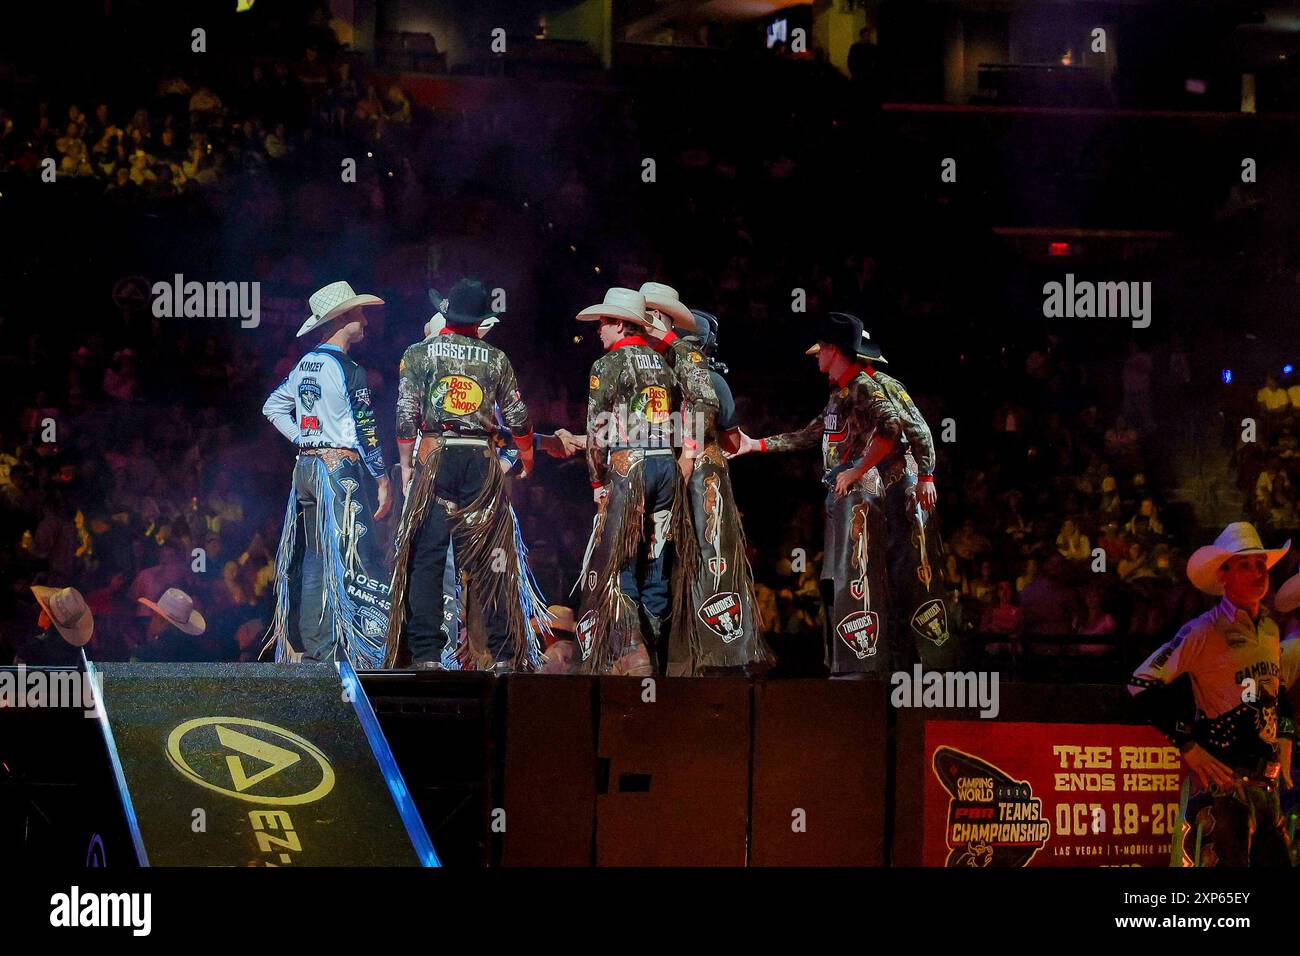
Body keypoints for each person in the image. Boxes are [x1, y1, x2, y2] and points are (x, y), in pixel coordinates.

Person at [731, 312, 904, 676]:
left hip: (859, 496)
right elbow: (811, 434)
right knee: (836, 579)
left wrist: (858, 469)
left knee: (854, 576)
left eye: (822, 348)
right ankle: (842, 662)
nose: (818, 356)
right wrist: (757, 445)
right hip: (840, 496)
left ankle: (862, 665)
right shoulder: (841, 393)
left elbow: (892, 427)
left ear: (835, 350)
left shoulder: (863, 388)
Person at [385, 279, 538, 672]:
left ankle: (426, 655)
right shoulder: (495, 358)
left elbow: (405, 416)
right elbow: (518, 418)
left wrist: (405, 466)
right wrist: (527, 456)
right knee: (492, 557)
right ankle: (503, 653)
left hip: (435, 456)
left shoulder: (418, 353)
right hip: (480, 460)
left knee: (428, 556)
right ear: (480, 318)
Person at [1129, 522, 1295, 866]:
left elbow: (1276, 694)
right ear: (1224, 575)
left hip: (1266, 787)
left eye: (1261, 564)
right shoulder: (1203, 630)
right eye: (1245, 565)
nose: (1257, 573)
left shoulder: (1270, 630)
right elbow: (1141, 682)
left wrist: (1285, 744)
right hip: (1225, 785)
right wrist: (1187, 745)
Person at [263, 281, 394, 666]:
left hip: (307, 469)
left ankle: (319, 647)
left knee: (317, 556)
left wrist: (304, 440)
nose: (366, 320)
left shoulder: (305, 364)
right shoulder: (349, 369)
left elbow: (272, 407)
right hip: (338, 470)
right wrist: (382, 478)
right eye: (360, 313)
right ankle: (361, 643)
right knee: (354, 552)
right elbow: (366, 426)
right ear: (343, 319)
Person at [656, 305, 769, 676]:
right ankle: (722, 654)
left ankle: (674, 656)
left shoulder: (659, 373)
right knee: (715, 556)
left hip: (663, 473)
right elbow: (732, 440)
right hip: (706, 477)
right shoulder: (712, 379)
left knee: (667, 559)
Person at [572, 288, 679, 675]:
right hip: (664, 464)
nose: (599, 330)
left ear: (619, 323)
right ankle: (654, 649)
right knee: (656, 555)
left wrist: (597, 482)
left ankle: (632, 651)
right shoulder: (664, 364)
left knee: (621, 559)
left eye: (603, 322)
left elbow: (596, 429)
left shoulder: (607, 366)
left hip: (627, 464)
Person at [132, 587, 236, 663]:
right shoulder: (203, 655)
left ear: (161, 620)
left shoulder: (144, 656)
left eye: (154, 616)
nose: (150, 621)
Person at [16, 586, 93, 666]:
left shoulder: (30, 649)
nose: (40, 612)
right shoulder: (81, 653)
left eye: (44, 610)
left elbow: (18, 675)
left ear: (49, 618)